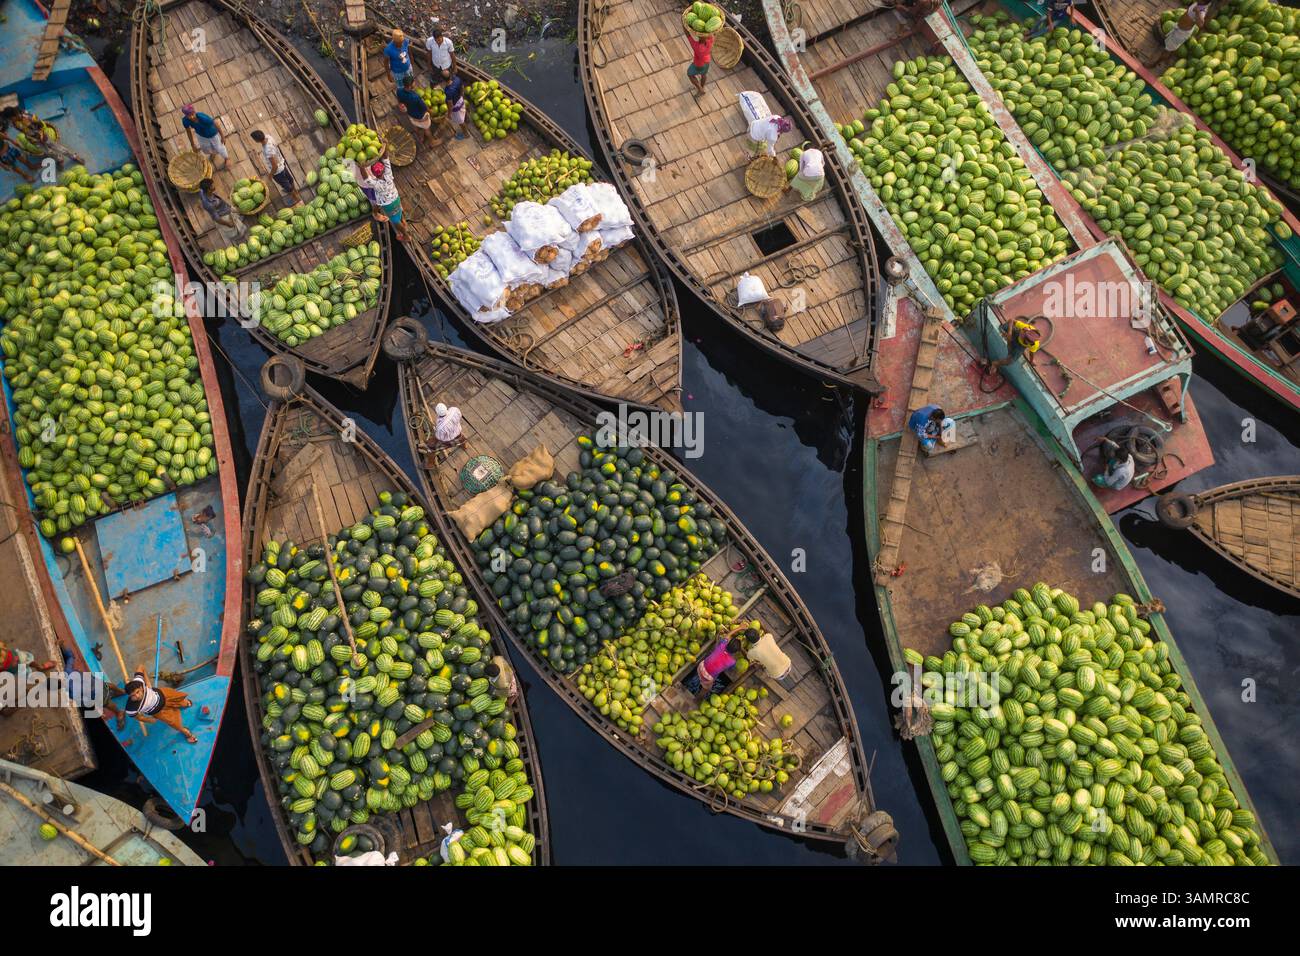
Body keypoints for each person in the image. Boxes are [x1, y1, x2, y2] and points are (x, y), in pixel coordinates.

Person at [122, 664, 198, 744]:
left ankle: (185, 703)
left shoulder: (139, 681)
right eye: (133, 695)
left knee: (179, 697)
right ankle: (186, 732)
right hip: (160, 712)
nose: (137, 696)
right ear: (129, 696)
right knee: (175, 723)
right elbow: (138, 717)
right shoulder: (131, 708)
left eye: (137, 692)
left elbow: (141, 666)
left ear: (141, 688)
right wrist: (148, 720)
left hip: (164, 694)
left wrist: (148, 682)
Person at [1, 106, 82, 166]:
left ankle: (73, 156)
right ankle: (59, 159)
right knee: (47, 151)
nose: (10, 121)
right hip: (33, 140)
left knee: (57, 147)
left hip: (43, 137)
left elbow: (41, 125)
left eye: (10, 119)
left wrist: (42, 135)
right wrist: (29, 137)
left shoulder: (29, 117)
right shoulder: (14, 123)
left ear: (14, 115)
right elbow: (21, 130)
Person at [356, 152, 409, 242]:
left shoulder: (376, 184)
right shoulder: (388, 174)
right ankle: (404, 222)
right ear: (383, 169)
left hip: (388, 205)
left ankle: (406, 236)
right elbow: (386, 158)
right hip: (396, 198)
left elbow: (366, 178)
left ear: (374, 174)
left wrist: (361, 166)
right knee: (399, 211)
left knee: (395, 221)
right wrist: (385, 144)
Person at [683, 630, 747, 697]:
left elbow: (728, 635)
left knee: (701, 675)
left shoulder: (722, 645)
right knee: (706, 688)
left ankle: (697, 680)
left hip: (701, 667)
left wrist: (740, 627)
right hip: (707, 677)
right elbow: (733, 667)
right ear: (736, 652)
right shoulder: (732, 661)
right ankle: (699, 697)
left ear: (728, 643)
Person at [250, 129, 302, 206]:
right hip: (282, 163)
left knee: (287, 186)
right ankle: (295, 190)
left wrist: (271, 175)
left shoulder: (268, 150)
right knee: (290, 179)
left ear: (257, 140)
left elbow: (275, 166)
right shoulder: (268, 137)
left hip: (278, 172)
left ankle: (296, 199)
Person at [180, 104, 229, 170]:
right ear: (186, 115)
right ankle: (213, 153)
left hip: (212, 135)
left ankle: (226, 158)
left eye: (192, 114)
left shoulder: (203, 117)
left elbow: (216, 123)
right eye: (188, 116)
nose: (191, 117)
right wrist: (192, 144)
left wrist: (222, 136)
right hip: (201, 135)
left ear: (194, 112)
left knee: (219, 148)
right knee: (205, 149)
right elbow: (188, 132)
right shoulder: (185, 121)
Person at [396, 74, 435, 149]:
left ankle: (421, 137)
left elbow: (399, 101)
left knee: (415, 126)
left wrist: (401, 105)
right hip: (420, 116)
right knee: (427, 128)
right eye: (414, 82)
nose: (415, 82)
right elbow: (424, 107)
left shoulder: (399, 91)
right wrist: (430, 111)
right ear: (410, 86)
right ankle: (432, 142)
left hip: (411, 115)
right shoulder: (415, 97)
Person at [684, 26, 714, 97]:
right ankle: (702, 87)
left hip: (698, 64)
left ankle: (700, 89)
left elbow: (688, 35)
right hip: (707, 61)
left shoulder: (696, 46)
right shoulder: (710, 40)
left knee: (690, 74)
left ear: (699, 37)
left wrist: (684, 26)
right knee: (704, 74)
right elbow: (711, 33)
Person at [444, 71, 467, 141]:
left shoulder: (448, 91)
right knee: (464, 110)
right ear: (450, 76)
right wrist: (461, 96)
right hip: (461, 100)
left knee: (461, 122)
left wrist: (449, 114)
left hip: (456, 107)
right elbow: (462, 87)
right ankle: (467, 118)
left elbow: (450, 105)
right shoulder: (457, 79)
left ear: (442, 80)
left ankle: (466, 134)